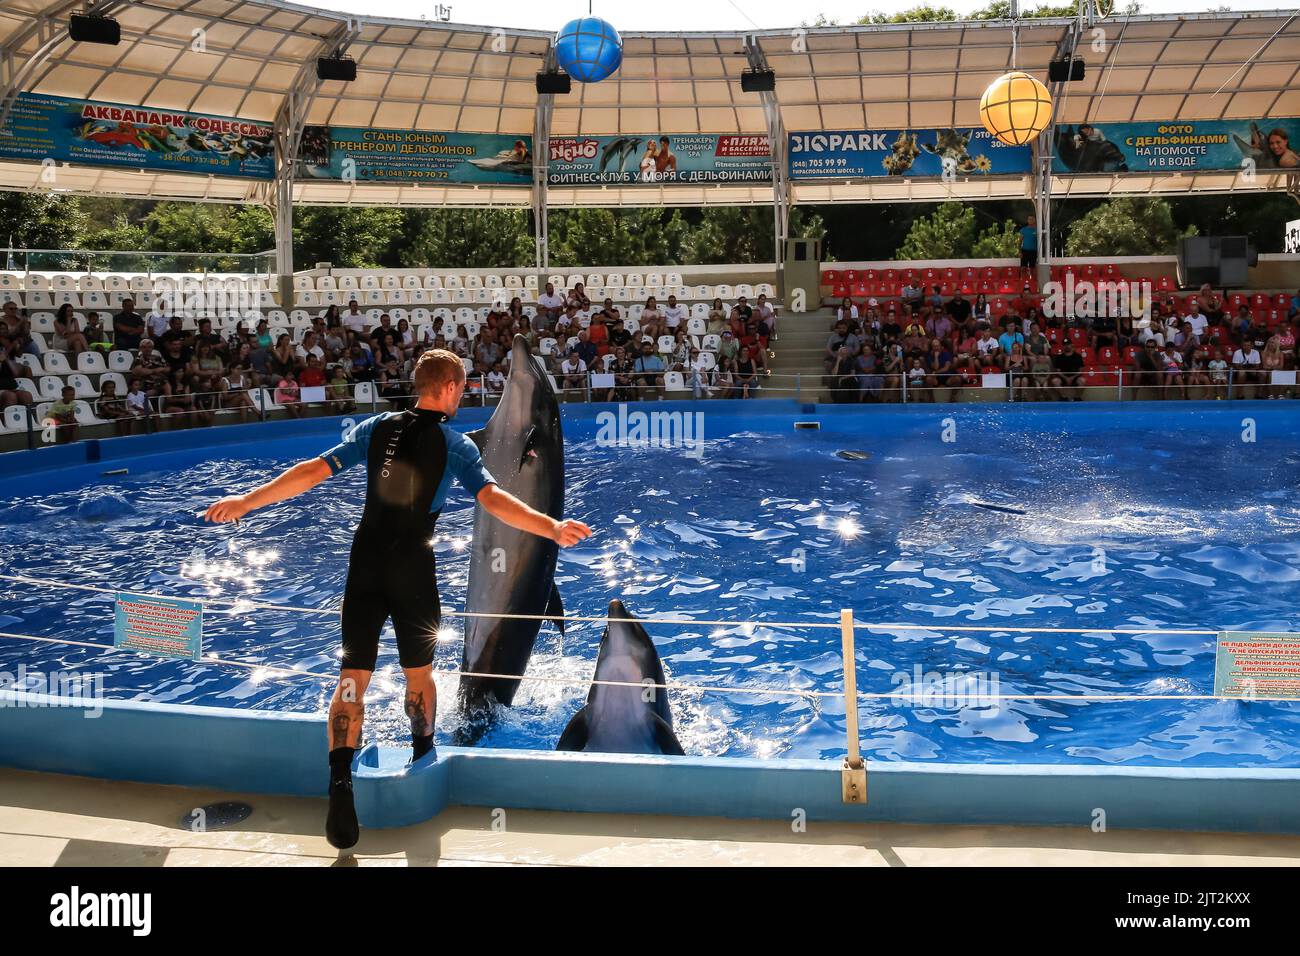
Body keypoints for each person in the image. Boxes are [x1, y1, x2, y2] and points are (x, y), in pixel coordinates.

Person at [201, 349, 593, 850]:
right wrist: (552, 527)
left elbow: (312, 471)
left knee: (351, 680)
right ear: (451, 387)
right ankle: (422, 758)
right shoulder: (455, 445)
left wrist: (247, 501)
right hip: (413, 571)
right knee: (419, 678)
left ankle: (340, 781)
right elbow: (494, 501)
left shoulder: (375, 428)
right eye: (464, 386)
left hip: (363, 569)